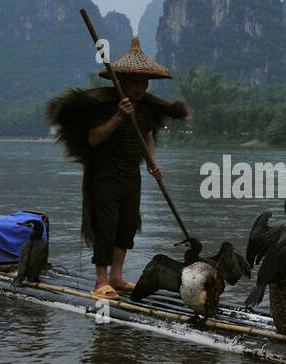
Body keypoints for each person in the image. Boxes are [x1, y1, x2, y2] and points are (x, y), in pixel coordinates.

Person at [45, 37, 188, 296]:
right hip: (104, 176)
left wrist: (153, 164)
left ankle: (117, 277)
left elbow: (147, 137)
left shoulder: (146, 108)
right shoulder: (106, 105)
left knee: (127, 224)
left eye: (144, 82)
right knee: (105, 226)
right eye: (136, 81)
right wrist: (119, 116)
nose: (141, 87)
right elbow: (94, 138)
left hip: (131, 176)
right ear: (121, 81)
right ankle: (101, 281)